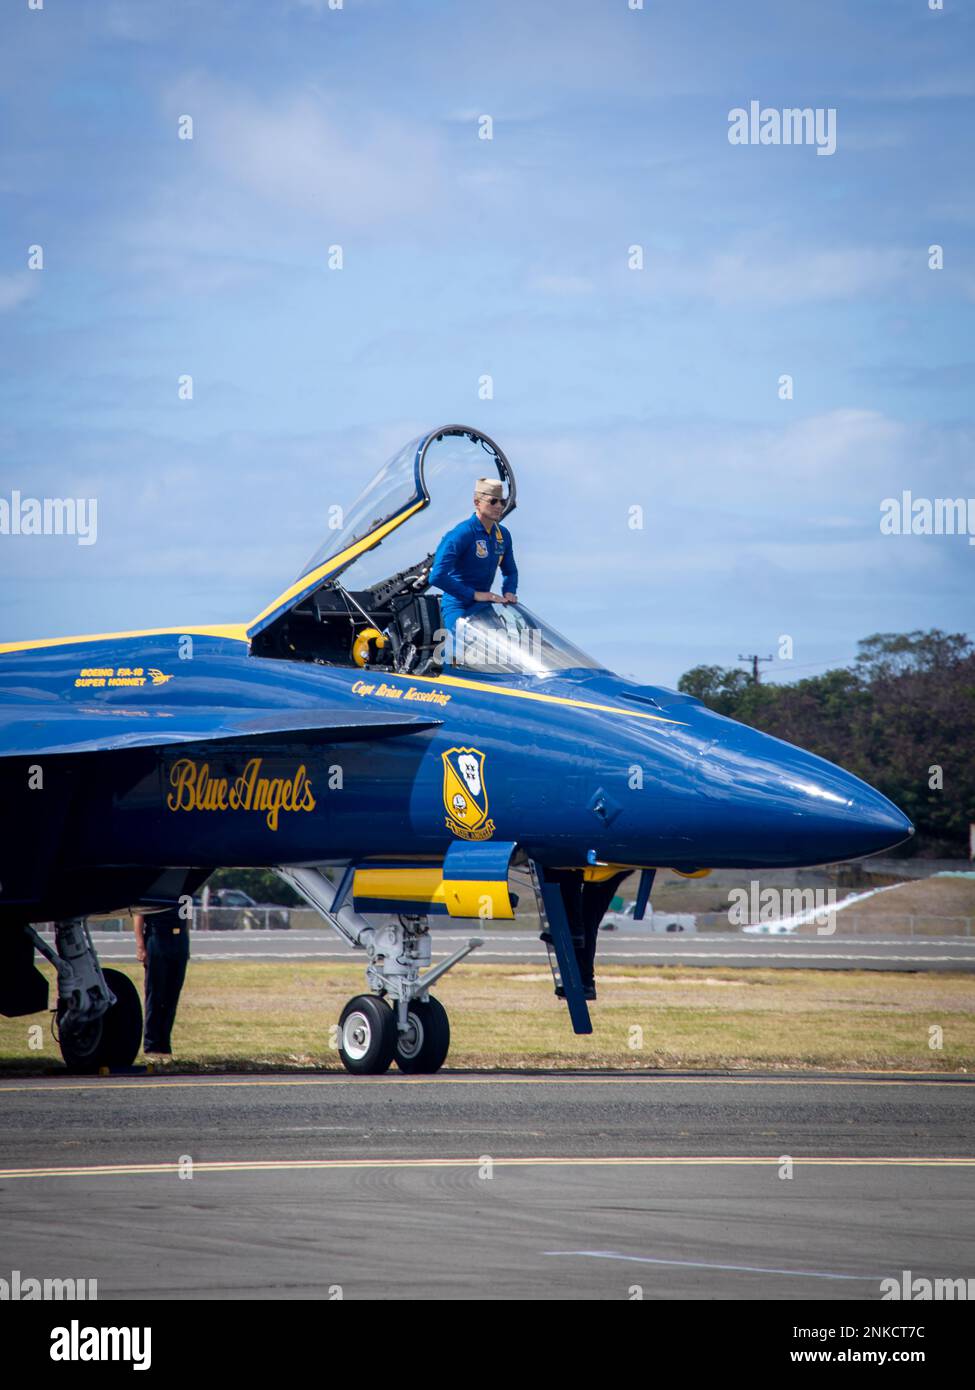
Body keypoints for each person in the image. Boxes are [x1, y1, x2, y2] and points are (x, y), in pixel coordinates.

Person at [429, 477, 518, 660]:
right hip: (458, 603)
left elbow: (510, 571)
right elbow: (436, 576)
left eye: (502, 501)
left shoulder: (503, 535)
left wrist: (509, 591)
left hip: (483, 605)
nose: (499, 506)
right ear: (477, 502)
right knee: (457, 654)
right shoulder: (462, 533)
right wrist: (473, 594)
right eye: (493, 501)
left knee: (503, 651)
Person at [132, 905, 190, 1057]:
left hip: (179, 939)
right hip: (157, 937)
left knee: (172, 995)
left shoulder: (184, 889)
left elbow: (186, 917)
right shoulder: (156, 888)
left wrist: (186, 943)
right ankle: (152, 1045)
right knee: (155, 994)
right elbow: (139, 913)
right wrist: (140, 946)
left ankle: (165, 1044)